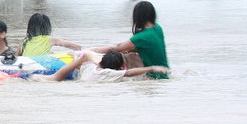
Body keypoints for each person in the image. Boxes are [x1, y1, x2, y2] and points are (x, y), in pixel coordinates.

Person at [90, 0, 170, 79]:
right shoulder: (157, 28)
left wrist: (94, 50)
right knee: (128, 53)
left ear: (137, 16)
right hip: (163, 73)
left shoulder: (141, 37)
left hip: (152, 76)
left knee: (117, 57)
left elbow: (116, 48)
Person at [31, 50, 171, 82]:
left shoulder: (91, 67)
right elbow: (129, 73)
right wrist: (152, 68)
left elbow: (79, 62)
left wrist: (74, 55)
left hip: (82, 80)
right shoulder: (108, 74)